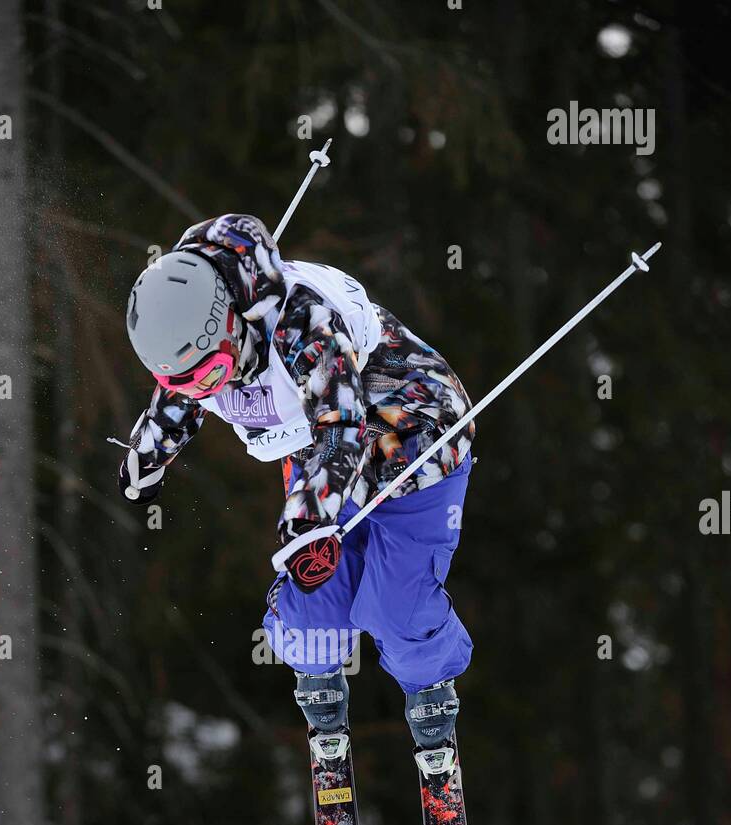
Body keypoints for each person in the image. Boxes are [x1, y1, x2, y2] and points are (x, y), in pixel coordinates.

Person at [118, 212, 476, 755]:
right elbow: (181, 396)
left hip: (411, 444)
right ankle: (321, 685)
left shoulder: (302, 321)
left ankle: (430, 691)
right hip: (325, 465)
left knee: (394, 611)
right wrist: (151, 451)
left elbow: (342, 422)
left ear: (230, 322)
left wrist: (307, 520)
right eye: (186, 381)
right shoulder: (197, 344)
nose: (213, 387)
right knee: (310, 617)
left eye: (213, 372)